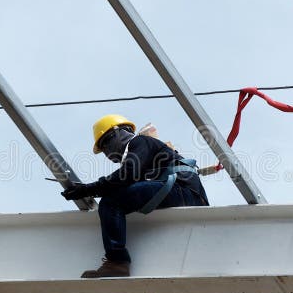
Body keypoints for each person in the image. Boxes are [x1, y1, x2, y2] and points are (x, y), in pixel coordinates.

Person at [62, 114, 209, 278]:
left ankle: (117, 262)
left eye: (105, 145)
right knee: (117, 195)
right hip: (187, 192)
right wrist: (89, 189)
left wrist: (87, 189)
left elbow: (126, 175)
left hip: (183, 190)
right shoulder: (142, 153)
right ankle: (117, 261)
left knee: (111, 202)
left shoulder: (139, 143)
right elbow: (124, 181)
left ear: (116, 134)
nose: (107, 154)